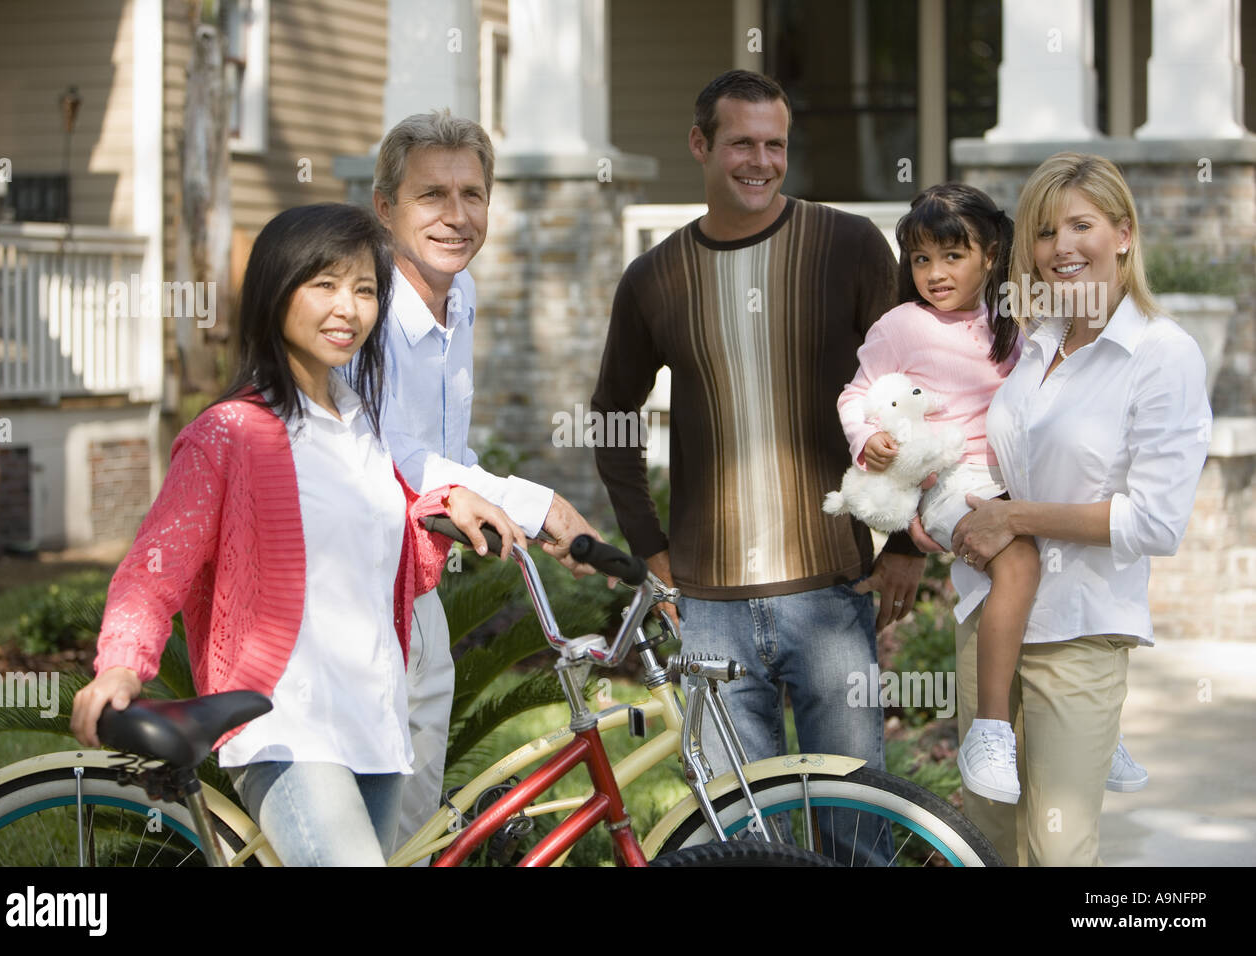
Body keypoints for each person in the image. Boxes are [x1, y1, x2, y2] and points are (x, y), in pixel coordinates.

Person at [69, 203, 526, 866]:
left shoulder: (361, 423)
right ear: (276, 291)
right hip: (286, 726)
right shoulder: (227, 434)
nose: (349, 308)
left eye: (365, 290)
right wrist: (120, 664)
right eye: (325, 285)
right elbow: (153, 567)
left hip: (374, 722)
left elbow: (382, 552)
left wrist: (449, 501)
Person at [591, 70, 925, 858]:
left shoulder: (847, 245)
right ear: (700, 144)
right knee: (740, 840)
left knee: (855, 833)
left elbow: (909, 396)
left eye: (775, 144)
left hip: (830, 593)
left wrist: (908, 541)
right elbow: (611, 420)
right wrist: (654, 557)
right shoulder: (654, 279)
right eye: (741, 142)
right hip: (707, 610)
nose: (761, 161)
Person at [947, 153, 1211, 865]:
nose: (1061, 247)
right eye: (1043, 232)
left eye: (1082, 225)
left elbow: (1155, 521)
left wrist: (1018, 517)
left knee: (1058, 853)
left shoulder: (1162, 355)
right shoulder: (1035, 345)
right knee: (987, 848)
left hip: (1081, 635)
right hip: (988, 626)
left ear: (1124, 233)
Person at [369, 109, 605, 854]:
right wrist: (539, 504)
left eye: (472, 194)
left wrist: (543, 512)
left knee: (415, 792)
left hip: (416, 576)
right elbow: (388, 449)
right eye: (431, 195)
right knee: (363, 798)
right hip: (346, 587)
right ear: (386, 208)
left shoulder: (457, 299)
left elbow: (447, 451)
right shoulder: (363, 305)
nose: (456, 215)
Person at [836, 183, 1037, 806]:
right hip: (948, 481)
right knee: (1021, 560)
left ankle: (1089, 730)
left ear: (991, 252)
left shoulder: (1013, 319)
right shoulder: (901, 325)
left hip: (1014, 475)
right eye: (921, 259)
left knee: (1062, 561)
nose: (935, 273)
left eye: (953, 256)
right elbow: (855, 393)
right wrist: (868, 438)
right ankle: (989, 730)